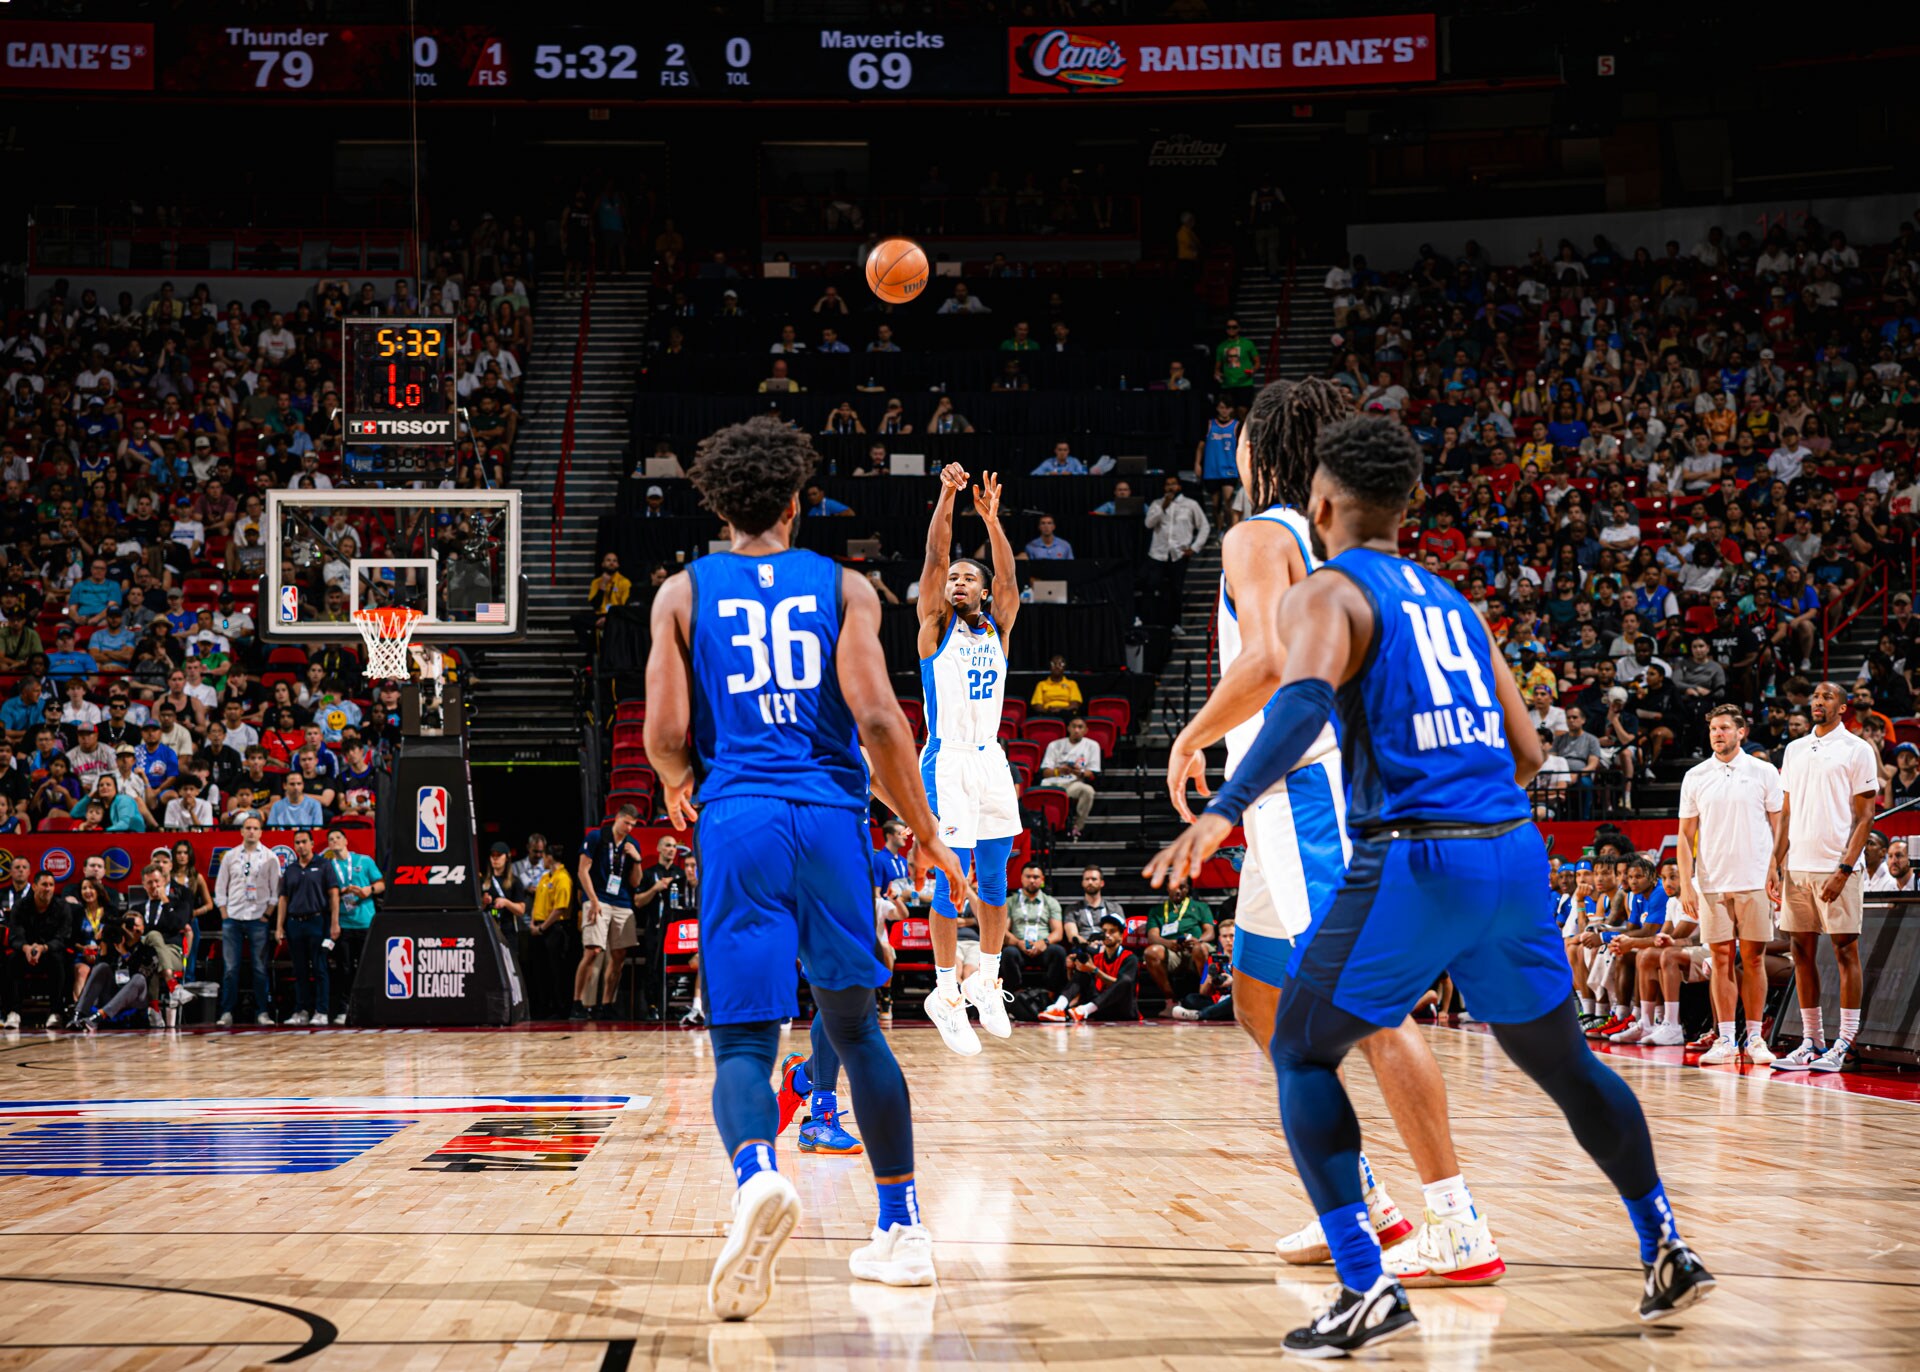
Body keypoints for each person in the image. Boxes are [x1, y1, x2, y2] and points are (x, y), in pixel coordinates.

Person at [1147, 414, 1712, 1353]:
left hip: (1417, 853)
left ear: (1322, 505)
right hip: (1514, 850)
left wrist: (1224, 803)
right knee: (1566, 1063)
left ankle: (1368, 1283)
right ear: (1407, 510)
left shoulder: (1330, 587)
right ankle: (1666, 1244)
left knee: (1301, 1049)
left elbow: (1301, 695)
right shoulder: (1453, 599)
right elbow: (1529, 751)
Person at [641, 416, 971, 1318]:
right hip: (830, 818)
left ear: (718, 506)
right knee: (858, 1030)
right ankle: (901, 1229)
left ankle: (755, 1177)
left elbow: (664, 736)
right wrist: (928, 831)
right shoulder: (846, 586)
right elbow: (878, 719)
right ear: (797, 503)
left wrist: (678, 782)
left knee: (745, 1042)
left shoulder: (680, 593)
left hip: (738, 816)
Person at [1163, 378, 1488, 1286]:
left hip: (1305, 790)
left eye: (1239, 434)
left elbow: (1271, 661)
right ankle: (1363, 1204)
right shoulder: (1344, 544)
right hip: (1302, 791)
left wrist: (1192, 734)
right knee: (1258, 997)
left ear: (1263, 445)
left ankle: (1457, 1221)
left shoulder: (1260, 533)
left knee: (1370, 1009)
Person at [914, 461, 1022, 1056]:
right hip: (947, 759)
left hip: (991, 759)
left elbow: (1008, 577)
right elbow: (933, 558)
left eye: (966, 577)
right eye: (953, 577)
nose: (956, 581)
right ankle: (944, 992)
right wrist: (947, 500)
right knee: (953, 879)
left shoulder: (998, 627)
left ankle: (986, 977)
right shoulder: (935, 628)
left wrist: (992, 520)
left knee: (997, 872)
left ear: (981, 591)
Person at [1771, 680, 1879, 1072]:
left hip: (1838, 867)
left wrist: (1845, 868)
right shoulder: (1795, 749)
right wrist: (1775, 863)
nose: (1819, 702)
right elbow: (1785, 813)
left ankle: (1846, 1041)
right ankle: (1812, 1040)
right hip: (1797, 867)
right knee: (1800, 952)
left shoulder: (1857, 749)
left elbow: (1865, 818)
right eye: (1815, 696)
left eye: (1827, 696)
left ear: (1843, 706)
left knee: (1845, 952)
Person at [1676, 706, 1785, 1063]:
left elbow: (1779, 823)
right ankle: (1725, 1039)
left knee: (1753, 959)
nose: (1717, 734)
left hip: (1753, 878)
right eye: (1712, 729)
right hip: (1711, 881)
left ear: (1741, 731)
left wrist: (1775, 866)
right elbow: (1684, 834)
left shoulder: (1763, 771)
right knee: (1720, 958)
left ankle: (1754, 1038)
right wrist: (1686, 884)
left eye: (1724, 728)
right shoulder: (1696, 775)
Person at [574, 803, 647, 1021]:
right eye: (626, 823)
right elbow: (582, 870)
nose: (629, 828)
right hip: (598, 898)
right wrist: (593, 900)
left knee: (619, 956)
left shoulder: (632, 844)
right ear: (617, 818)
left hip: (622, 901)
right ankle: (577, 1002)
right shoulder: (597, 837)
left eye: (633, 825)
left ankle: (607, 1003)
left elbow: (635, 882)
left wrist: (638, 859)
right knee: (593, 951)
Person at [213, 813, 281, 1026]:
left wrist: (267, 914)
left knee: (259, 968)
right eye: (247, 828)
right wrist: (224, 913)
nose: (251, 831)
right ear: (241, 831)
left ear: (261, 832)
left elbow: (275, 889)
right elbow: (220, 887)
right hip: (232, 918)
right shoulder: (231, 856)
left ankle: (263, 1012)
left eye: (255, 828)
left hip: (258, 918)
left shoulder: (270, 857)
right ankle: (227, 1012)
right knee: (230, 969)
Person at [276, 828, 339, 1027]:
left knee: (320, 968)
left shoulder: (324, 865)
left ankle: (321, 1011)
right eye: (297, 842)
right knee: (300, 970)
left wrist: (335, 923)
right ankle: (301, 1010)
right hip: (295, 923)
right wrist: (279, 926)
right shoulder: (291, 869)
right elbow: (283, 898)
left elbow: (334, 895)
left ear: (312, 843)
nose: (301, 846)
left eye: (304, 842)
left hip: (317, 921)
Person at [325, 828, 384, 1021]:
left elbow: (382, 883)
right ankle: (345, 1009)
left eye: (338, 838)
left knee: (367, 967)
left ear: (346, 840)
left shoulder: (364, 860)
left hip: (366, 922)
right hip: (344, 923)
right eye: (331, 839)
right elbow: (326, 894)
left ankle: (369, 1007)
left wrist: (369, 890)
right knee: (345, 968)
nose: (334, 841)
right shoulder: (329, 866)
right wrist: (341, 892)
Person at [1039, 911, 1138, 1021]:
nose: (1107, 935)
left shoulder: (1130, 958)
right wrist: (1069, 969)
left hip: (1123, 1009)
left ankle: (1084, 1010)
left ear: (1121, 936)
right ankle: (1058, 1007)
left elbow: (1121, 986)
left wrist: (1094, 970)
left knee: (1125, 980)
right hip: (1099, 1008)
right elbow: (1075, 982)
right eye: (1104, 931)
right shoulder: (1095, 956)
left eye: (1112, 931)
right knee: (1082, 974)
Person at [1143, 475, 1210, 630]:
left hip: (1178, 554)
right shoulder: (1157, 504)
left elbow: (1204, 526)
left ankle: (1175, 623)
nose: (1170, 487)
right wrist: (1162, 508)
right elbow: (1148, 524)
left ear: (1179, 487)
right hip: (1158, 553)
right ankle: (1150, 622)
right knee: (1152, 586)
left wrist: (1194, 547)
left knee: (1175, 590)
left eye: (1173, 484)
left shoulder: (1190, 504)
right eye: (1167, 484)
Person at [1037, 716, 1101, 838]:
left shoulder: (1092, 745)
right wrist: (1059, 771)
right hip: (1054, 783)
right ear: (1068, 728)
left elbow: (1093, 773)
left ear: (1086, 730)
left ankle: (1077, 827)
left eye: (1080, 727)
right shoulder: (1055, 745)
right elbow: (1044, 772)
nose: (1076, 730)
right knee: (1042, 787)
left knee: (1088, 791)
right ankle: (1044, 826)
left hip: (1073, 783)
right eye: (1074, 726)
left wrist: (1079, 772)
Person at [1197, 397, 1241, 529]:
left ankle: (1230, 529)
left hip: (1229, 468)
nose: (1224, 411)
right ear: (1217, 408)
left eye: (1227, 408)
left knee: (1228, 501)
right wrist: (1197, 463)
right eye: (1222, 407)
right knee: (1215, 504)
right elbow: (1201, 445)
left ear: (1231, 409)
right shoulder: (1209, 424)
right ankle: (1219, 530)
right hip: (1212, 469)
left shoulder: (1237, 425)